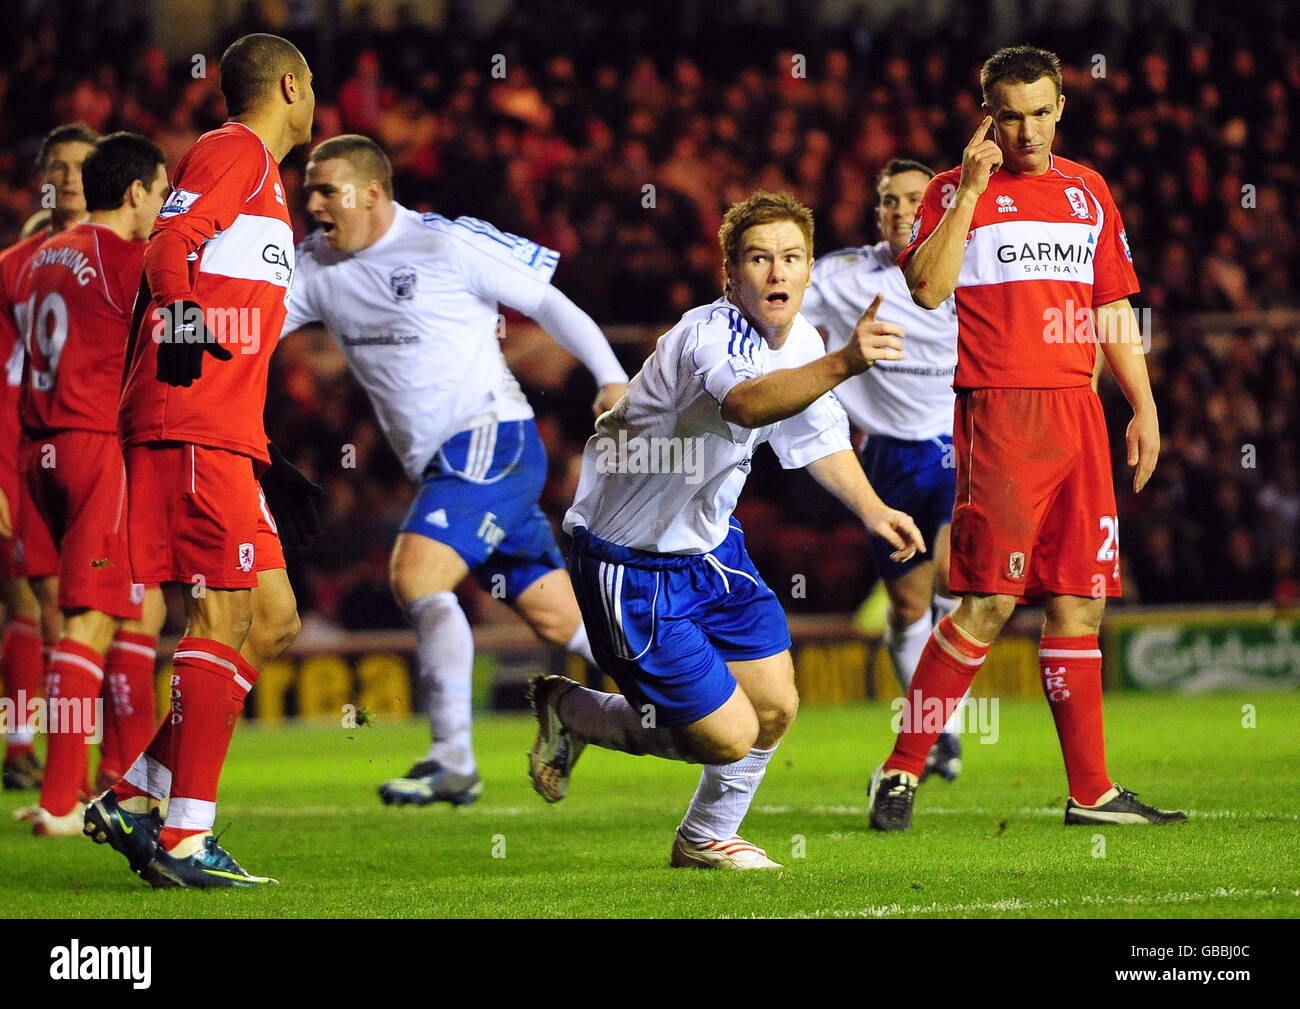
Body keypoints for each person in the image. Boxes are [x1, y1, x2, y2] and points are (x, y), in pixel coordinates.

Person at [528, 191, 924, 868]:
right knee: (727, 736)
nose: (777, 272)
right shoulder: (708, 336)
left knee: (773, 705)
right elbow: (743, 402)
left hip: (711, 551)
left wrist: (872, 508)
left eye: (792, 258)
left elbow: (819, 439)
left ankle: (705, 837)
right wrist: (844, 363)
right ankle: (574, 710)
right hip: (629, 565)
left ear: (807, 272)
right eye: (759, 258)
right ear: (730, 275)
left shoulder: (801, 341)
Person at [867, 45, 1186, 830]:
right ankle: (903, 769)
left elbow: (1111, 307)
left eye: (1041, 112)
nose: (1027, 129)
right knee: (990, 601)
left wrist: (1141, 408)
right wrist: (972, 189)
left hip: (1079, 411)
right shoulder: (951, 190)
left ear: (1061, 108)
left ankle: (1093, 794)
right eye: (1010, 115)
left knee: (1082, 601)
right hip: (1001, 412)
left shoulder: (1089, 191)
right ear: (988, 114)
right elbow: (929, 286)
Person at [282, 134, 628, 806]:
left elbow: (548, 300)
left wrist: (611, 377)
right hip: (446, 465)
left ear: (373, 192)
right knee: (561, 621)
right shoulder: (313, 265)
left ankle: (454, 758)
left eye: (328, 190)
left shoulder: (444, 242)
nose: (315, 203)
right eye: (310, 193)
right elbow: (250, 336)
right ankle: (684, 694)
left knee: (415, 574)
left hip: (491, 441)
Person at [83, 34, 320, 888]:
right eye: (311, 86)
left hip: (227, 432)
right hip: (191, 424)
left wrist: (263, 444)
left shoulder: (260, 177)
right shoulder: (234, 151)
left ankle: (137, 790)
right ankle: (185, 837)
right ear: (292, 85)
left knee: (276, 616)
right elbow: (168, 247)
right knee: (219, 615)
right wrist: (182, 323)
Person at [9, 133, 170, 836]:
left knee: (85, 623)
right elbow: (191, 334)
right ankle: (60, 801)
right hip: (94, 449)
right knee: (90, 623)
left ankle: (87, 782)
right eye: (161, 192)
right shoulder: (129, 259)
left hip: (37, 453)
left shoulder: (40, 256)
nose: (163, 207)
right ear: (135, 192)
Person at [801, 158, 966, 782]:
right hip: (887, 459)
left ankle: (939, 720)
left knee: (956, 575)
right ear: (876, 214)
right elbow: (770, 310)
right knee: (905, 609)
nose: (900, 210)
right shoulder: (843, 276)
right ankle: (941, 729)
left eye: (913, 198)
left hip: (958, 446)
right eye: (889, 201)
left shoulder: (967, 268)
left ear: (941, 205)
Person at [0, 124, 97, 791]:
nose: (66, 178)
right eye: (55, 166)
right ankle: (39, 754)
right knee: (45, 608)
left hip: (109, 458)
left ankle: (101, 767)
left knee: (115, 615)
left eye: (79, 166)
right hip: (31, 458)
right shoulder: (12, 267)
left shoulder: (134, 252)